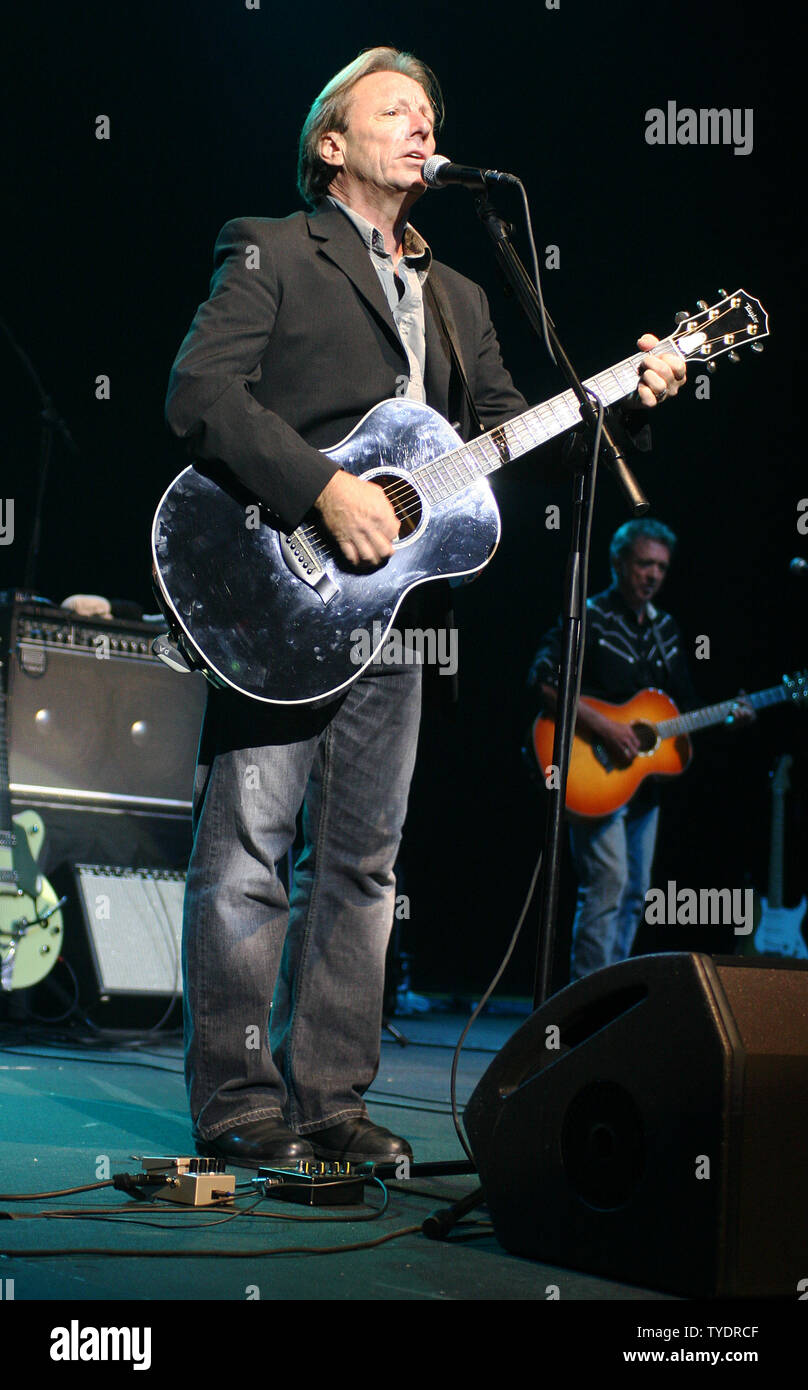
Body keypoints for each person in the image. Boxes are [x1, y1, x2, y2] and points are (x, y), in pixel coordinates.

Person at [164, 47, 688, 1167]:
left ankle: (330, 1102)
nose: (420, 123)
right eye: (392, 109)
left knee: (361, 864)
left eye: (429, 112)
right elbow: (201, 394)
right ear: (331, 143)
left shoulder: (456, 294)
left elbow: (517, 438)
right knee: (250, 850)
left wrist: (626, 399)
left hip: (390, 616)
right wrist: (324, 488)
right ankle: (240, 1102)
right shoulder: (272, 247)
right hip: (271, 585)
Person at [529, 519, 749, 981]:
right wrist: (607, 728)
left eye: (661, 568)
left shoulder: (667, 630)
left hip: (642, 788)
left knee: (635, 892)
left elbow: (682, 707)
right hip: (594, 774)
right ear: (619, 562)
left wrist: (728, 714)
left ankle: (613, 996)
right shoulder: (589, 617)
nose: (653, 575)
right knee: (607, 886)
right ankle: (585, 1004)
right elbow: (545, 681)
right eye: (644, 564)